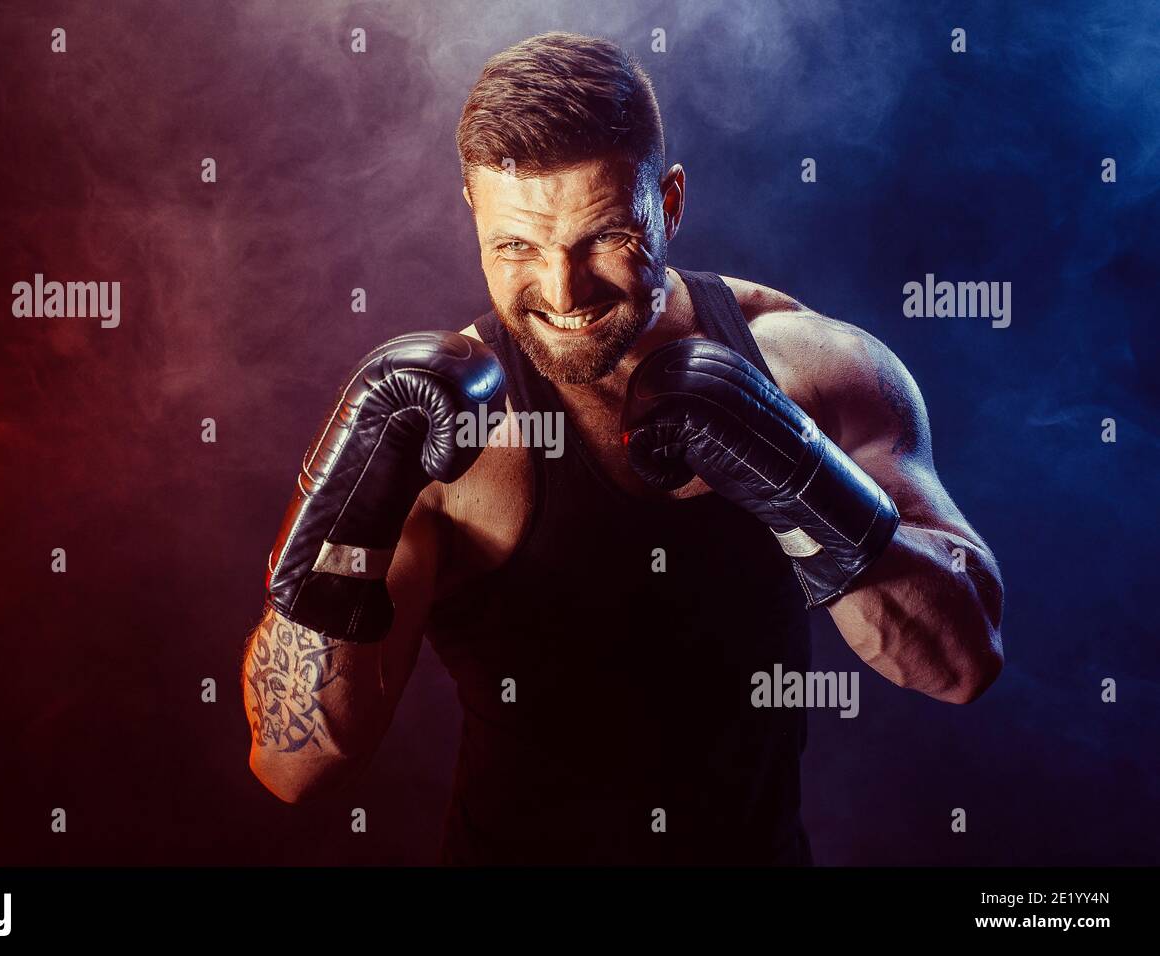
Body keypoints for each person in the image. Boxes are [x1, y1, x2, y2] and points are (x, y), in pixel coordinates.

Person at [242, 31, 1004, 865]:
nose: (563, 291)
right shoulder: (435, 439)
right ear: (473, 211)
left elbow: (960, 665)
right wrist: (350, 506)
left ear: (668, 203)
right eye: (517, 247)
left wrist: (800, 474)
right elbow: (293, 766)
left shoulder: (813, 369)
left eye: (604, 236)